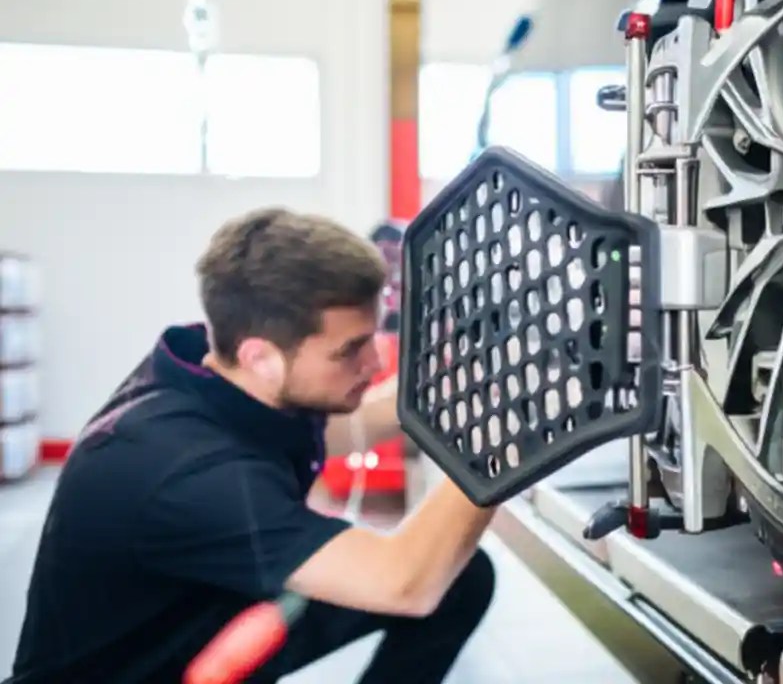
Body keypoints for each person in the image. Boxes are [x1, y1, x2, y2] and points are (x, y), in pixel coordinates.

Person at [6, 208, 497, 683]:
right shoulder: (186, 471)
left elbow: (350, 427)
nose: (373, 363)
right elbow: (405, 584)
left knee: (461, 575)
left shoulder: (215, 373)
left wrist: (464, 386)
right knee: (426, 576)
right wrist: (500, 447)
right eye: (350, 349)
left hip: (202, 624)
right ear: (259, 357)